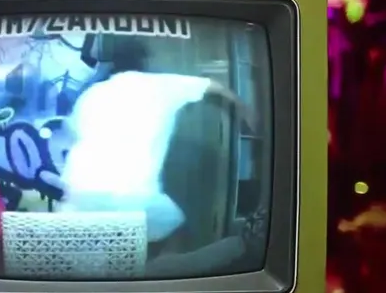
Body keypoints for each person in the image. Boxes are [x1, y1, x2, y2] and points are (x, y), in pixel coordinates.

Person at [60, 37, 254, 246]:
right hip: (132, 197)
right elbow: (214, 86)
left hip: (78, 195)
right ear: (144, 61)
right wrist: (247, 113)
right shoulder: (161, 84)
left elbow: (72, 135)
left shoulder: (91, 94)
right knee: (178, 238)